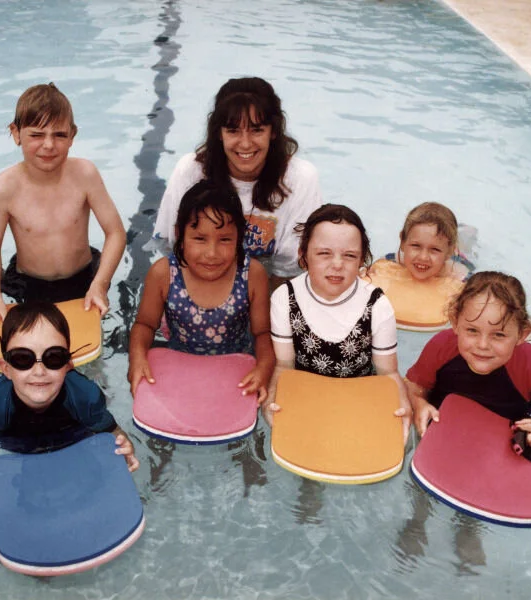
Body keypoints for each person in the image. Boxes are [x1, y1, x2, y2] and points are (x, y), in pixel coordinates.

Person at [0, 83, 126, 329]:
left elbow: (116, 233)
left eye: (59, 135)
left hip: (85, 278)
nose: (48, 145)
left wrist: (100, 284)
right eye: (36, 135)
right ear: (16, 133)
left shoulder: (85, 175)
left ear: (72, 136)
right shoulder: (5, 188)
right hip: (29, 285)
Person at [152, 77, 323, 288]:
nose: (245, 144)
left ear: (274, 132)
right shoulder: (191, 171)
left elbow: (288, 271)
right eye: (233, 131)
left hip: (267, 290)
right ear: (219, 133)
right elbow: (173, 248)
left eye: (257, 130)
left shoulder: (300, 179)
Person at [0, 301, 138, 501]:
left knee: (90, 494)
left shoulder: (84, 396)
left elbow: (113, 434)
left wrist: (125, 447)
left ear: (68, 365)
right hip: (22, 455)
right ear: (6, 368)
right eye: (23, 358)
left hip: (75, 444)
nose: (39, 371)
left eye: (54, 357)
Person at [265, 205, 411, 433]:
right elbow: (284, 365)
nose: (337, 264)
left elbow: (388, 373)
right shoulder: (285, 298)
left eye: (350, 255)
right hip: (307, 397)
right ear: (303, 254)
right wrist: (273, 398)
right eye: (324, 253)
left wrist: (402, 405)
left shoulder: (377, 305)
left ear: (362, 260)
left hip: (359, 397)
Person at [405, 271, 531, 446]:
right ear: (455, 323)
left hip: (501, 448)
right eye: (472, 331)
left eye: (499, 335)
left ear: (522, 334)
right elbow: (414, 386)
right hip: (443, 435)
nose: (483, 345)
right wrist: (419, 404)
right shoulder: (442, 346)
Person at [128, 180, 275, 402]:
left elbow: (262, 333)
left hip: (237, 370)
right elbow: (145, 324)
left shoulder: (252, 274)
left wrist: (263, 368)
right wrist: (137, 358)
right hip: (181, 365)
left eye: (225, 239)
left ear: (239, 237)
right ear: (180, 234)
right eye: (199, 239)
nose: (211, 253)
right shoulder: (164, 274)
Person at [370, 202, 474, 284]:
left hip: (459, 259)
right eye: (416, 246)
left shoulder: (459, 275)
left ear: (449, 252)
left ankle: (466, 232)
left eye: (434, 249)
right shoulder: (392, 260)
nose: (423, 257)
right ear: (402, 242)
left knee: (465, 245)